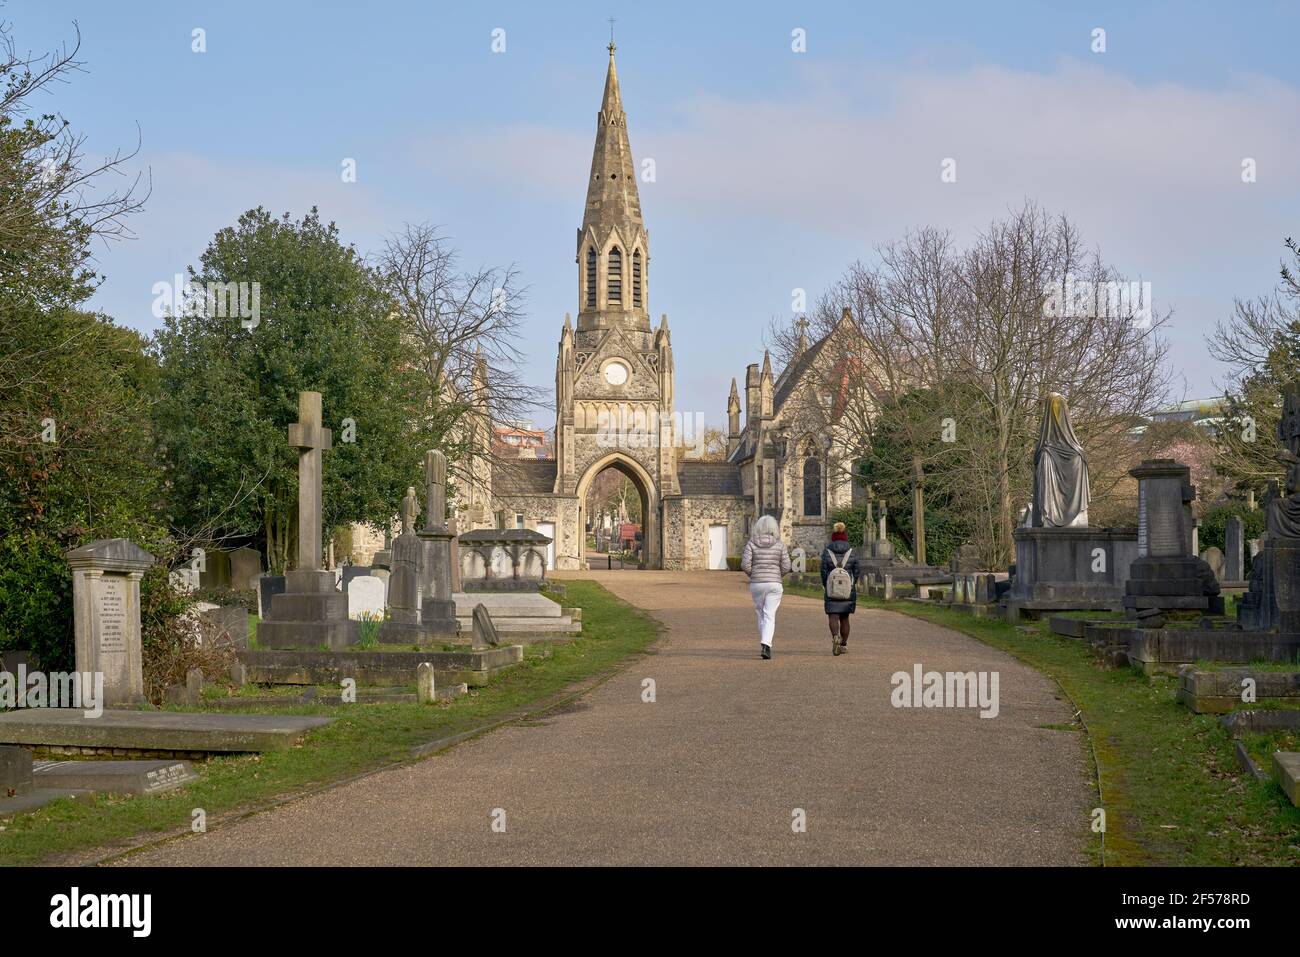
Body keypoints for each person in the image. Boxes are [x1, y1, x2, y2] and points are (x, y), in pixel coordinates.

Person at [740, 514, 791, 659]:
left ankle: (764, 643)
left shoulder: (751, 543)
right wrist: (777, 575)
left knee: (761, 613)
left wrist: (754, 574)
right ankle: (766, 644)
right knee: (770, 614)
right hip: (774, 584)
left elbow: (745, 565)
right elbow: (787, 565)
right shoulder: (779, 544)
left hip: (757, 583)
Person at [821, 521, 861, 656]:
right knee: (845, 618)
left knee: (833, 616)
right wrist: (852, 584)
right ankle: (843, 645)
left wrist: (825, 584)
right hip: (847, 590)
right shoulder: (852, 552)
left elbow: (823, 571)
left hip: (831, 589)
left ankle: (835, 637)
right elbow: (857, 571)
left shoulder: (827, 552)